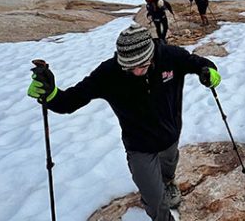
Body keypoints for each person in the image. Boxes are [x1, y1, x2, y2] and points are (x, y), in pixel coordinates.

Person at [27, 23, 221, 221]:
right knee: (154, 200)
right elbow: (70, 101)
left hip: (170, 135)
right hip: (139, 147)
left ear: (152, 55)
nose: (137, 71)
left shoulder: (170, 56)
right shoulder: (109, 73)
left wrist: (209, 71)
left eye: (142, 66)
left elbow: (197, 62)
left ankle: (169, 182)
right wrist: (50, 95)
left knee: (169, 165)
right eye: (130, 68)